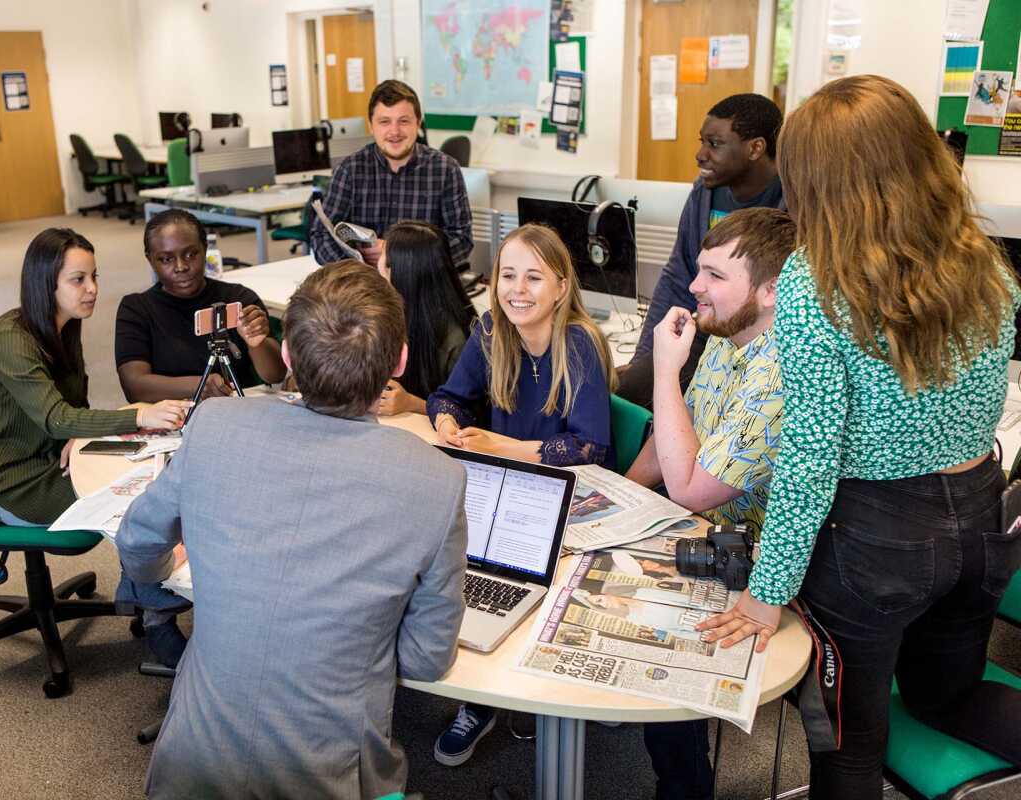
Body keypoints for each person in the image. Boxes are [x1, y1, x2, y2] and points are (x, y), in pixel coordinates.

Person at [697, 75, 1021, 798]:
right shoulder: (983, 261)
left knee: (849, 740)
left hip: (876, 537)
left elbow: (811, 459)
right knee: (948, 699)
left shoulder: (817, 284)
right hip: (980, 513)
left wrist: (766, 590)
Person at [115, 259, 469, 799]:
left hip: (192, 762)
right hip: (331, 777)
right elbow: (425, 659)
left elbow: (138, 545)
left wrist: (186, 575)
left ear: (285, 354)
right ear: (399, 361)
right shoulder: (437, 479)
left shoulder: (214, 425)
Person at [0, 229, 193, 666]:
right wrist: (139, 415)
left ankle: (142, 593)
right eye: (78, 280)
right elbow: (56, 417)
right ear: (45, 284)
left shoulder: (62, 327)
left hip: (48, 456)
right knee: (134, 502)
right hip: (9, 482)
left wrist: (73, 433)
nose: (92, 290)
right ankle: (156, 616)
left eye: (94, 276)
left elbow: (71, 407)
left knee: (147, 475)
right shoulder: (12, 340)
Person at [623, 206, 795, 800]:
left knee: (660, 660)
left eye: (715, 275)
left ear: (771, 291)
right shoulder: (727, 334)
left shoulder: (780, 372)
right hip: (703, 531)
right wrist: (618, 493)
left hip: (759, 570)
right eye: (699, 270)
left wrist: (665, 370)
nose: (695, 287)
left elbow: (689, 485)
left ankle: (684, 787)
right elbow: (676, 438)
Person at [426, 223, 614, 766]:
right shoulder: (492, 330)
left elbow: (588, 449)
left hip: (570, 495)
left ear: (561, 285)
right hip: (509, 487)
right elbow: (449, 396)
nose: (518, 289)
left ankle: (536, 695)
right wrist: (446, 422)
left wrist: (504, 446)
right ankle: (480, 699)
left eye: (534, 277)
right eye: (508, 275)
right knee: (462, 572)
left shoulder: (577, 342)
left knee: (508, 578)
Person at [616, 93, 785, 409]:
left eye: (715, 144)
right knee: (629, 396)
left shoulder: (790, 199)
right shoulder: (705, 193)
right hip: (707, 331)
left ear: (755, 148)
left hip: (762, 349)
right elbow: (678, 277)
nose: (700, 155)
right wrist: (648, 356)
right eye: (702, 142)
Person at [115, 208, 287, 402]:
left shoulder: (238, 298)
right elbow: (134, 386)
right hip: (172, 419)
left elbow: (276, 374)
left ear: (205, 249)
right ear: (150, 260)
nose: (181, 267)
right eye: (166, 259)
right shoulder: (136, 309)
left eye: (190, 254)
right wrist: (201, 384)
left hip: (236, 412)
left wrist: (258, 344)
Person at [309, 80, 472, 268]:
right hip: (365, 287)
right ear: (371, 126)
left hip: (423, 286)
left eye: (404, 121)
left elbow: (462, 240)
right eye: (384, 121)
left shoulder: (445, 170)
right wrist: (358, 275)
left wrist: (398, 254)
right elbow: (321, 237)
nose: (394, 131)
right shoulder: (350, 171)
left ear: (417, 123)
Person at [375, 220, 476, 416]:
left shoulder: (456, 341)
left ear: (400, 272)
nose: (378, 264)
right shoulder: (390, 313)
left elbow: (472, 416)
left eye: (383, 257)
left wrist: (413, 404)